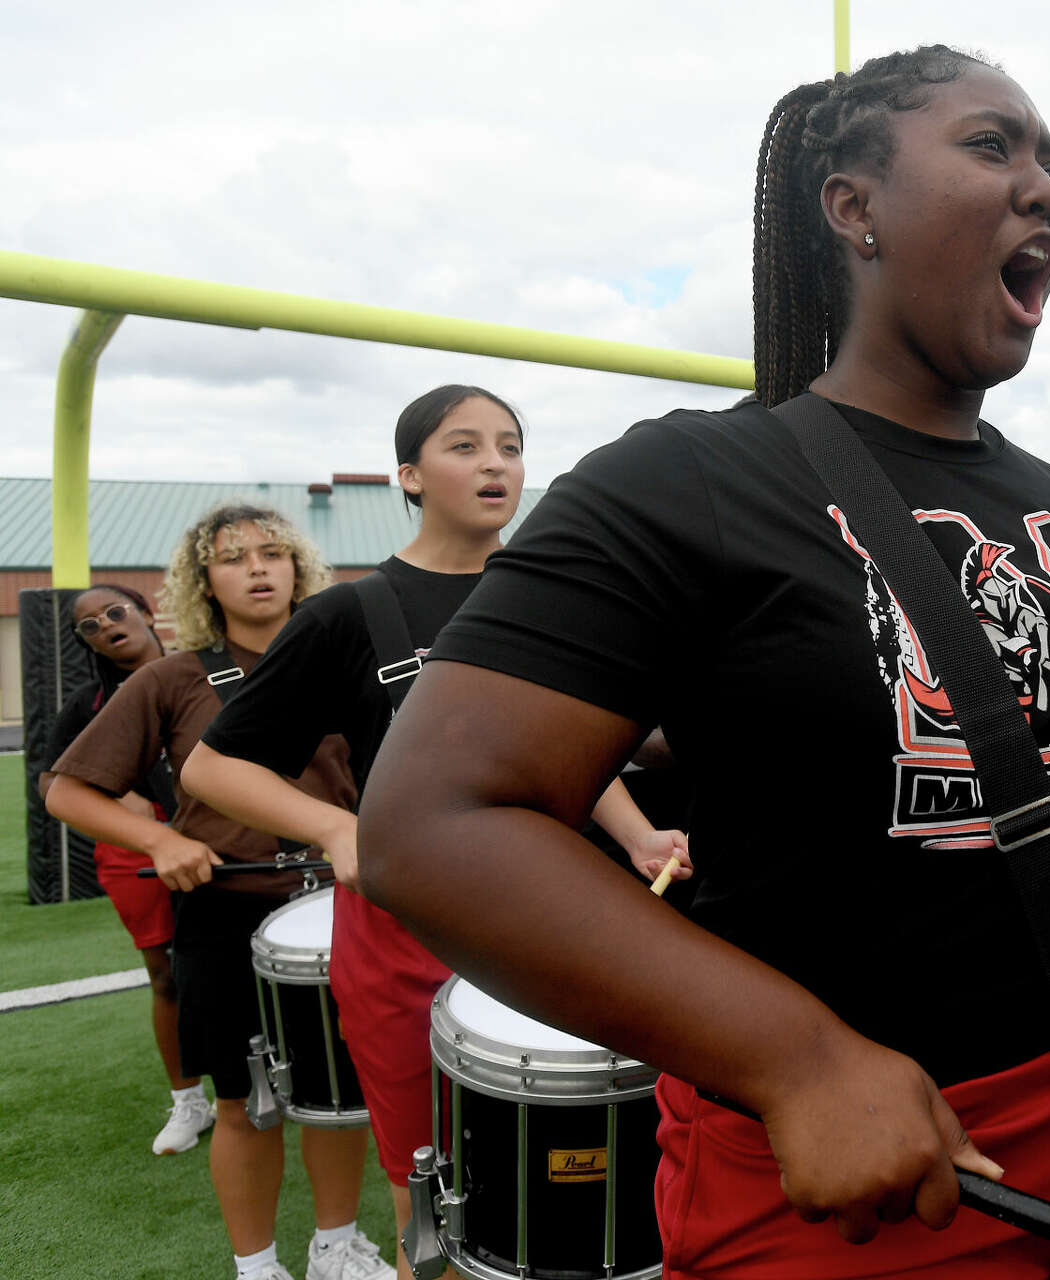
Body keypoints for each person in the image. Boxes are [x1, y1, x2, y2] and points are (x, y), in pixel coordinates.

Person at [356, 45, 1050, 1279]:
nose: (1044, 189)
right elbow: (432, 822)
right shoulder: (686, 482)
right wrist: (795, 1057)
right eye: (993, 146)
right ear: (853, 206)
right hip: (887, 1179)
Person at [180, 386, 688, 1279]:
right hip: (404, 926)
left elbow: (558, 750)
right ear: (408, 476)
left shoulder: (552, 598)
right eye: (465, 446)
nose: (496, 464)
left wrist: (641, 837)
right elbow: (213, 768)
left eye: (511, 446)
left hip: (554, 911)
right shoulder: (349, 614)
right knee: (434, 1195)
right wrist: (341, 827)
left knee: (582, 1185)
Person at [43, 505, 387, 1280]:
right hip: (226, 913)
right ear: (205, 582)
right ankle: (255, 1266)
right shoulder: (171, 678)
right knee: (243, 1100)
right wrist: (162, 840)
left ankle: (335, 1247)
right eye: (234, 559)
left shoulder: (347, 659)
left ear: (300, 566)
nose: (259, 569)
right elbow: (67, 790)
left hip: (342, 909)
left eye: (274, 553)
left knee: (343, 1094)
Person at [40, 584, 213, 1151]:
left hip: (219, 836)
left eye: (115, 612)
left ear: (144, 612)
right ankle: (189, 1102)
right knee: (164, 974)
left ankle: (266, 1083)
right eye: (90, 625)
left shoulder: (203, 671)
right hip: (135, 851)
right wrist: (124, 808)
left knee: (246, 963)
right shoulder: (88, 704)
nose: (107, 625)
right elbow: (51, 782)